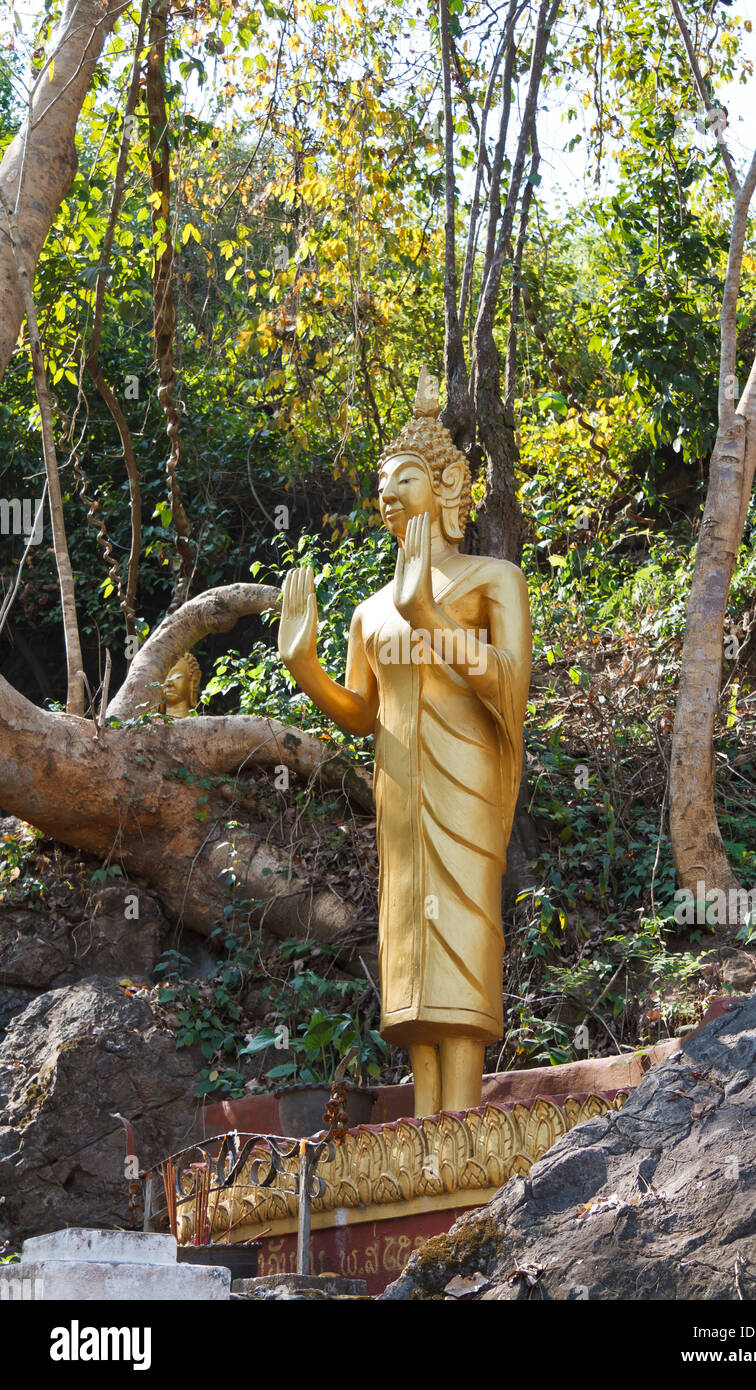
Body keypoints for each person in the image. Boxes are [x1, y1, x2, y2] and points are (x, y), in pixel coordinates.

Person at [278, 368, 531, 1115]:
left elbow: (509, 684)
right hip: (399, 794)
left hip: (467, 779)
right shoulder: (369, 611)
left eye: (407, 478)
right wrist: (306, 669)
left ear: (449, 488)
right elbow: (361, 712)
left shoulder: (493, 579)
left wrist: (432, 615)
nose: (389, 494)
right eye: (383, 484)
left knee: (461, 923)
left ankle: (463, 1113)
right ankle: (426, 1118)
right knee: (409, 943)